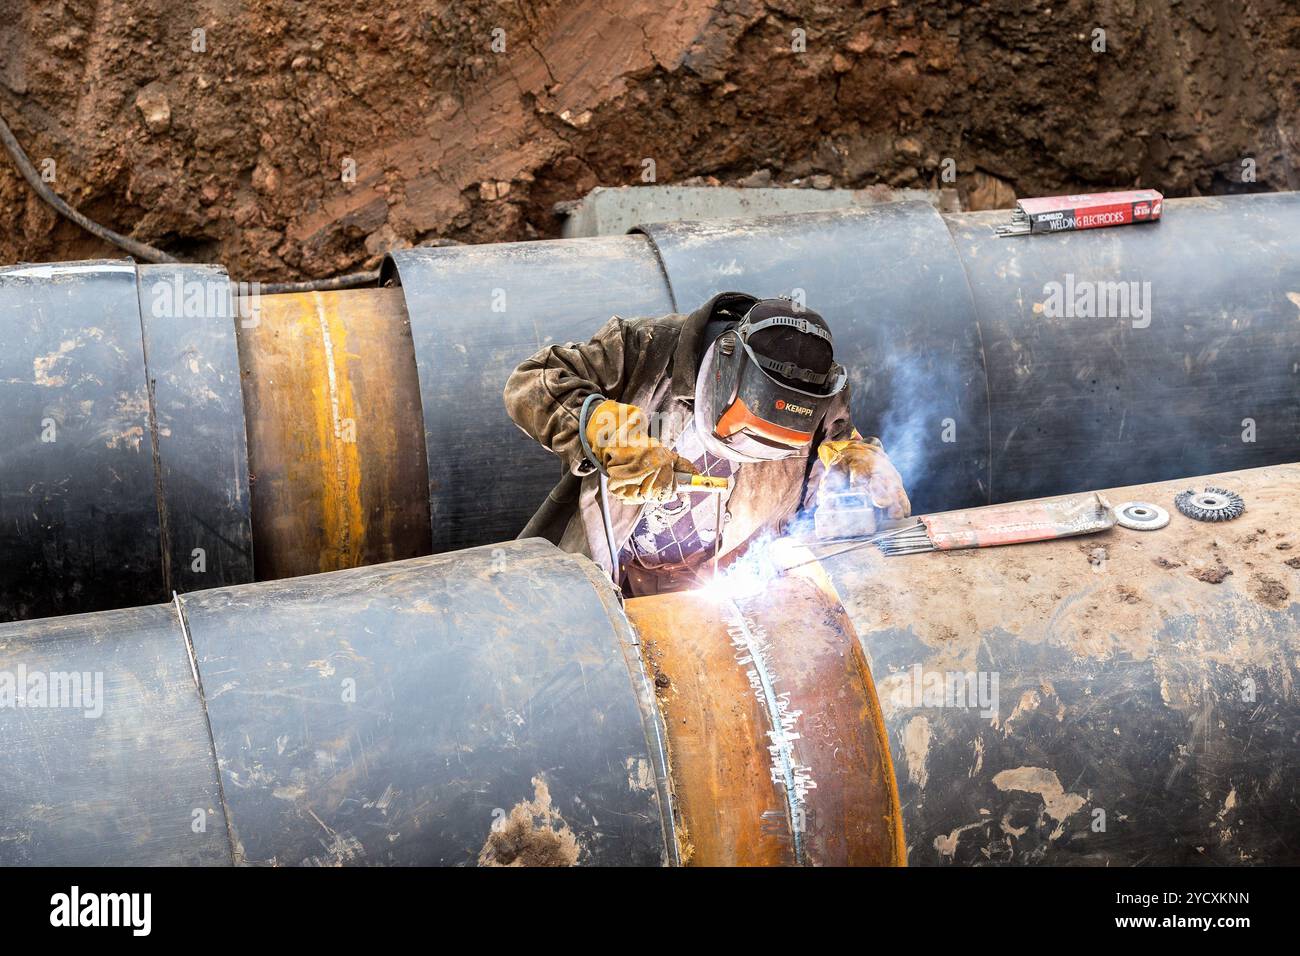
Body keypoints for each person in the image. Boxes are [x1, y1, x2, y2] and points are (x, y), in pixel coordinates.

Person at [504, 292, 910, 595]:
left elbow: (840, 454)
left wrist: (861, 469)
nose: (755, 454)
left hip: (725, 589)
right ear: (726, 369)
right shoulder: (648, 347)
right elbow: (531, 381)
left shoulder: (821, 397)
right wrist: (603, 430)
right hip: (614, 580)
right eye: (748, 435)